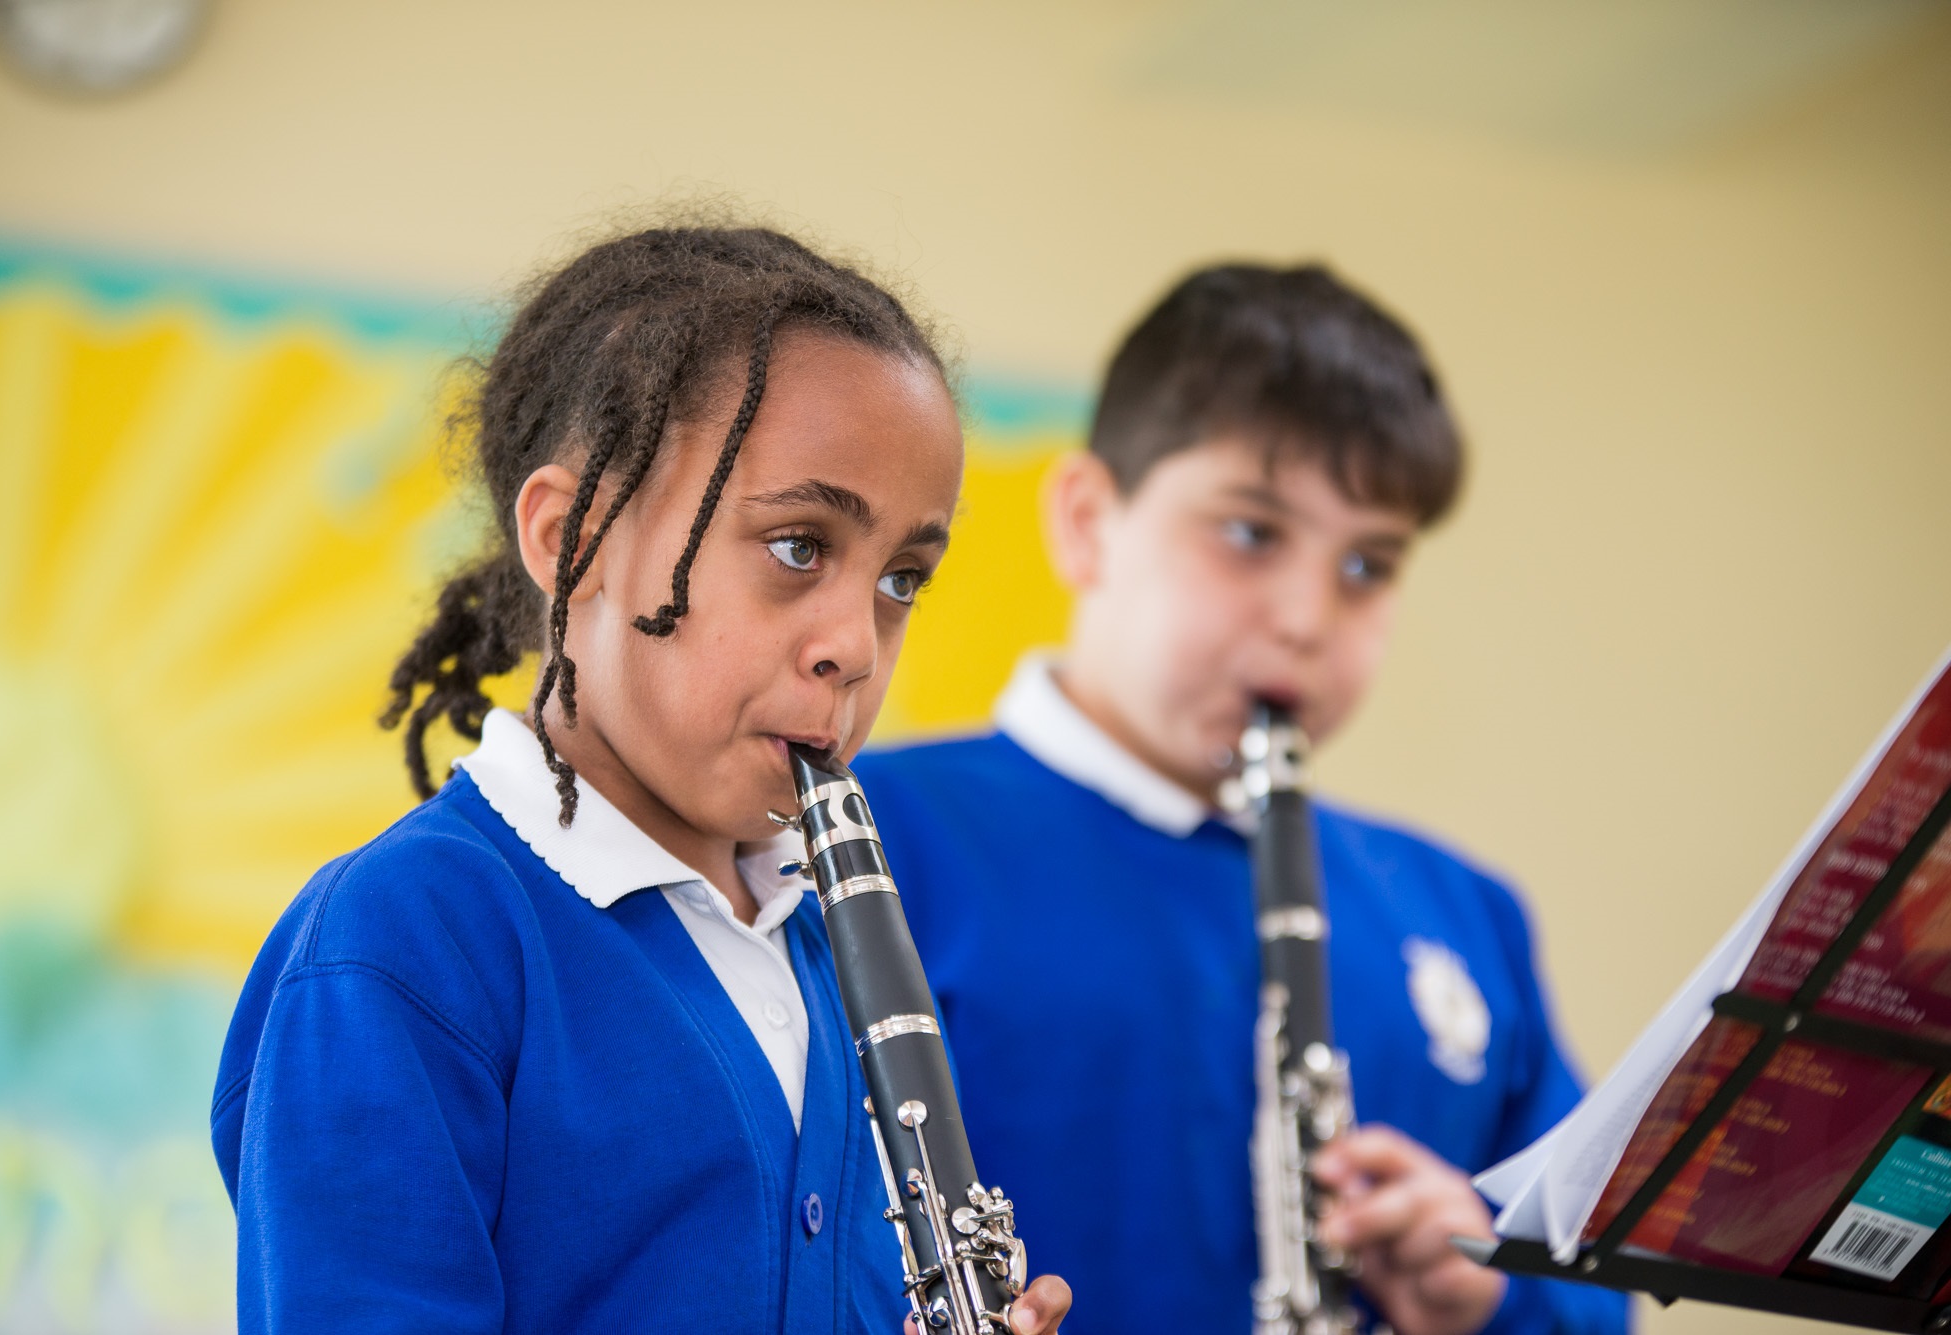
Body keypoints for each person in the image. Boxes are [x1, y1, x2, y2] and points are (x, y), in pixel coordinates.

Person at [210, 225, 1071, 1334]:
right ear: (577, 539)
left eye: (902, 577)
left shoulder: (826, 955)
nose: (855, 643)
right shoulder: (411, 937)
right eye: (800, 546)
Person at [853, 264, 1629, 1335]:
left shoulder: (1462, 910)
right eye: (1251, 533)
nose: (1307, 617)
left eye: (1367, 564)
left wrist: (1488, 1293)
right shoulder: (865, 842)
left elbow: (1595, 1301)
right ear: (1085, 522)